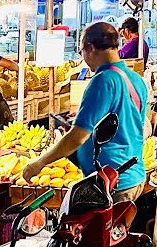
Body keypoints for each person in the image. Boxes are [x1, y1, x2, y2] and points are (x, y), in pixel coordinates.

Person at [23, 22, 148, 202]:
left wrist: (39, 163)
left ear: (89, 47)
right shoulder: (135, 79)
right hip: (132, 176)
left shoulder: (103, 81)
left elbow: (78, 136)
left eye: (81, 51)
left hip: (111, 182)